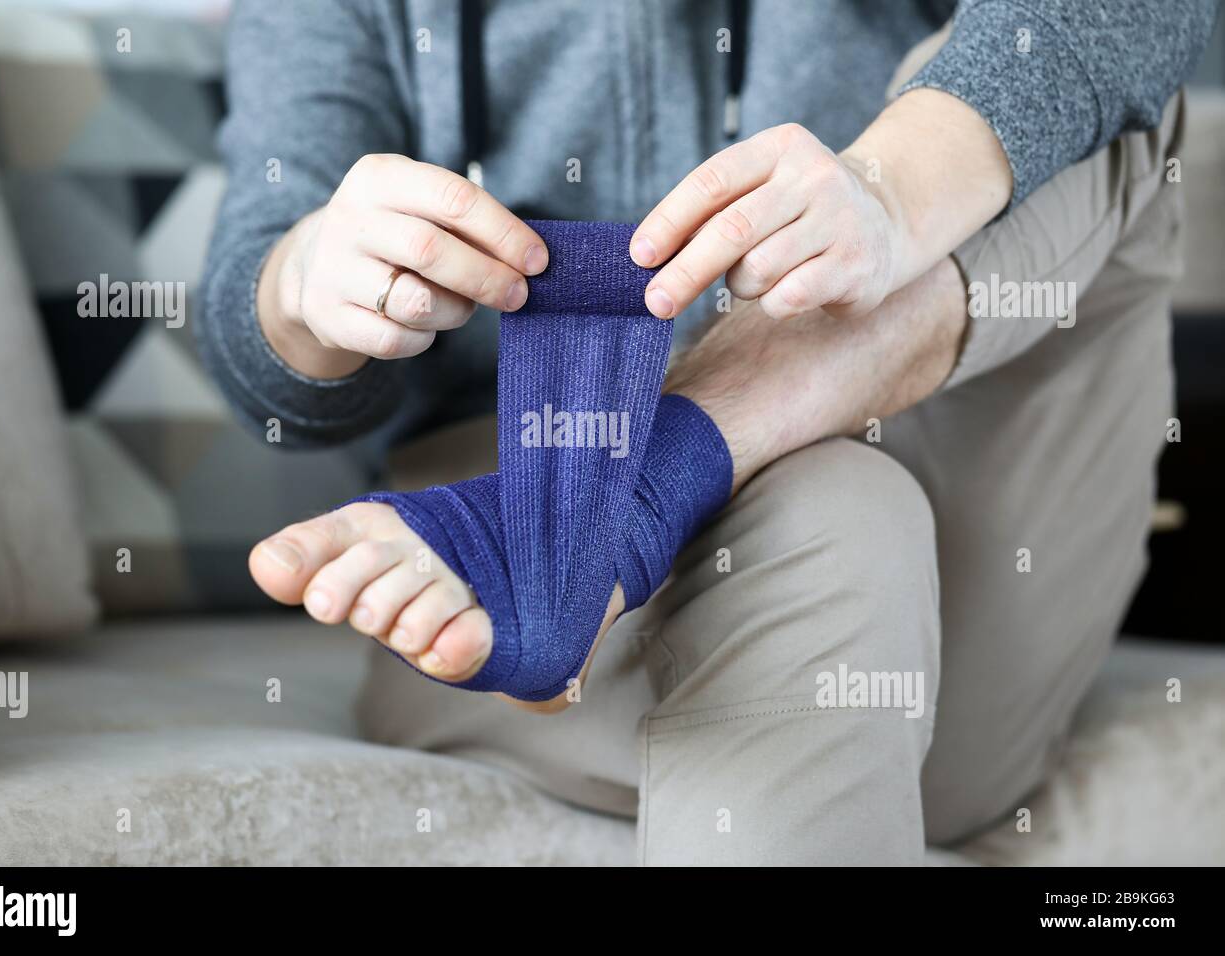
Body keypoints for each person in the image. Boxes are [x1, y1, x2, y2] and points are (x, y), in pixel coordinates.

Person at [199, 0, 1220, 863]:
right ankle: (627, 504)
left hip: (957, 536)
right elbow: (266, 355)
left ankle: (620, 498)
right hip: (550, 528)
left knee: (1087, 90)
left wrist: (890, 189)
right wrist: (306, 281)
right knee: (833, 509)